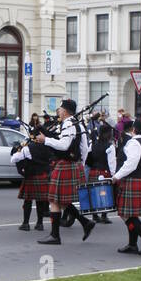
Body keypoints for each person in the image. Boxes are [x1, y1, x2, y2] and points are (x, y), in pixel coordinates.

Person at [39, 99, 95, 245]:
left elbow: (64, 146)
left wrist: (45, 140)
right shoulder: (78, 124)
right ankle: (85, 222)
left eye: (60, 109)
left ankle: (55, 235)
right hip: (73, 164)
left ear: (65, 111)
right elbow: (84, 147)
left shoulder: (69, 123)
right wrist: (80, 164)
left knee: (54, 200)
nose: (59, 111)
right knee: (61, 201)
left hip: (66, 165)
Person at [109, 117, 141, 255]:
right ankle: (132, 244)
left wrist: (116, 177)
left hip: (132, 180)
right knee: (131, 214)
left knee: (126, 215)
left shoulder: (133, 143)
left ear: (133, 129)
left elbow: (131, 164)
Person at [11, 127, 50, 231]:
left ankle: (26, 224)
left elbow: (14, 159)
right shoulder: (48, 146)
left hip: (31, 176)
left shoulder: (28, 148)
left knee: (28, 201)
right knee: (40, 201)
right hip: (44, 175)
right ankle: (40, 224)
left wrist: (19, 149)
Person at [85, 119, 113, 224]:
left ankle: (95, 215)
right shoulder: (110, 146)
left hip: (93, 171)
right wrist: (113, 175)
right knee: (104, 193)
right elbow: (111, 163)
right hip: (104, 171)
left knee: (94, 193)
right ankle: (104, 215)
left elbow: (87, 160)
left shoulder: (92, 144)